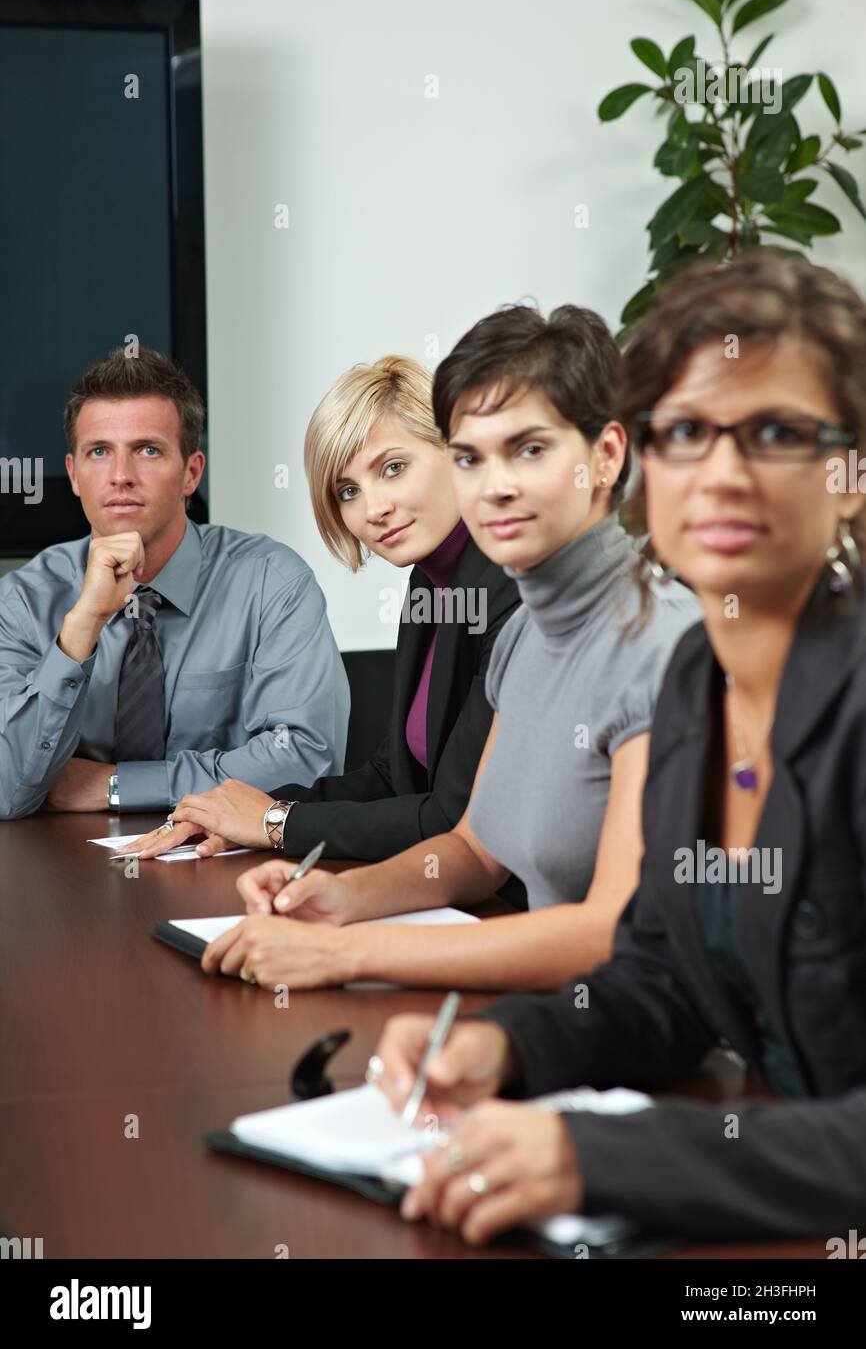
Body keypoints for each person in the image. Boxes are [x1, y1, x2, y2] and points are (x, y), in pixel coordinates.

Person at [371, 251, 866, 1247]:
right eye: (684, 432)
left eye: (771, 432)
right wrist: (502, 1048)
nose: (718, 473)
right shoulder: (695, 684)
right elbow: (666, 979)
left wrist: (599, 1158)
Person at [200, 304, 698, 991]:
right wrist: (338, 901)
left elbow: (610, 933)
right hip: (559, 1011)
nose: (493, 487)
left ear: (606, 456)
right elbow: (471, 848)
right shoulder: (525, 634)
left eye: (529, 450)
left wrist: (348, 954)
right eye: (470, 457)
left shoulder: (668, 643)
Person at [122, 356, 520, 862]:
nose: (373, 509)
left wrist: (275, 823)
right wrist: (239, 811)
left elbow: (456, 817)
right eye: (348, 491)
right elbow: (393, 778)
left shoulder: (510, 585)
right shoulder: (430, 581)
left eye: (393, 468)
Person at [0, 347, 349, 819]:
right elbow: (6, 787)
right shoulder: (23, 599)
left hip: (224, 870)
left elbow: (307, 758)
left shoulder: (273, 582)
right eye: (99, 452)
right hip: (62, 873)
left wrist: (118, 786)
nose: (121, 476)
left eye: (148, 450)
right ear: (75, 475)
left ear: (191, 473)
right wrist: (83, 624)